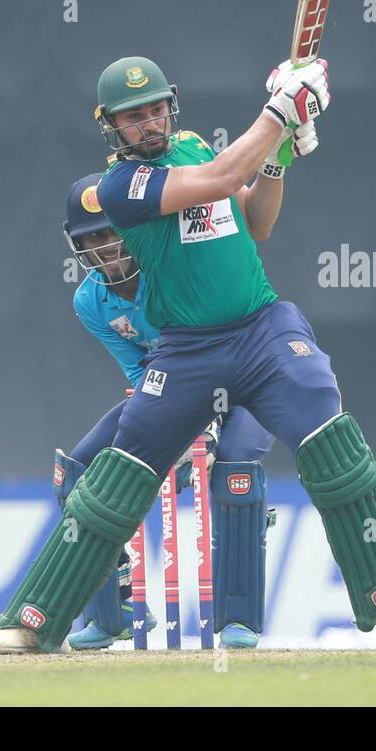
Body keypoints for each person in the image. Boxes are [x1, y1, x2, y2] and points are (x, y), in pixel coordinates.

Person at [0, 55, 376, 653]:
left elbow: (257, 220)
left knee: (325, 424)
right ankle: (33, 621)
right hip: (188, 351)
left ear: (172, 107)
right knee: (117, 475)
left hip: (262, 329)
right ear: (111, 126)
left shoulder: (191, 147)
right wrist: (277, 113)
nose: (150, 123)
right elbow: (215, 181)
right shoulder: (121, 188)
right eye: (133, 117)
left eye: (157, 109)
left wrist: (278, 156)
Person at [55, 172, 276, 650]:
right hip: (172, 391)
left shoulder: (174, 269)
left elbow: (222, 341)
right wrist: (168, 426)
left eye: (113, 235)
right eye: (91, 240)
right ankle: (115, 607)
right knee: (76, 473)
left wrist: (207, 425)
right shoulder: (90, 300)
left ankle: (238, 618)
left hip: (245, 386)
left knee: (234, 471)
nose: (106, 250)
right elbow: (141, 372)